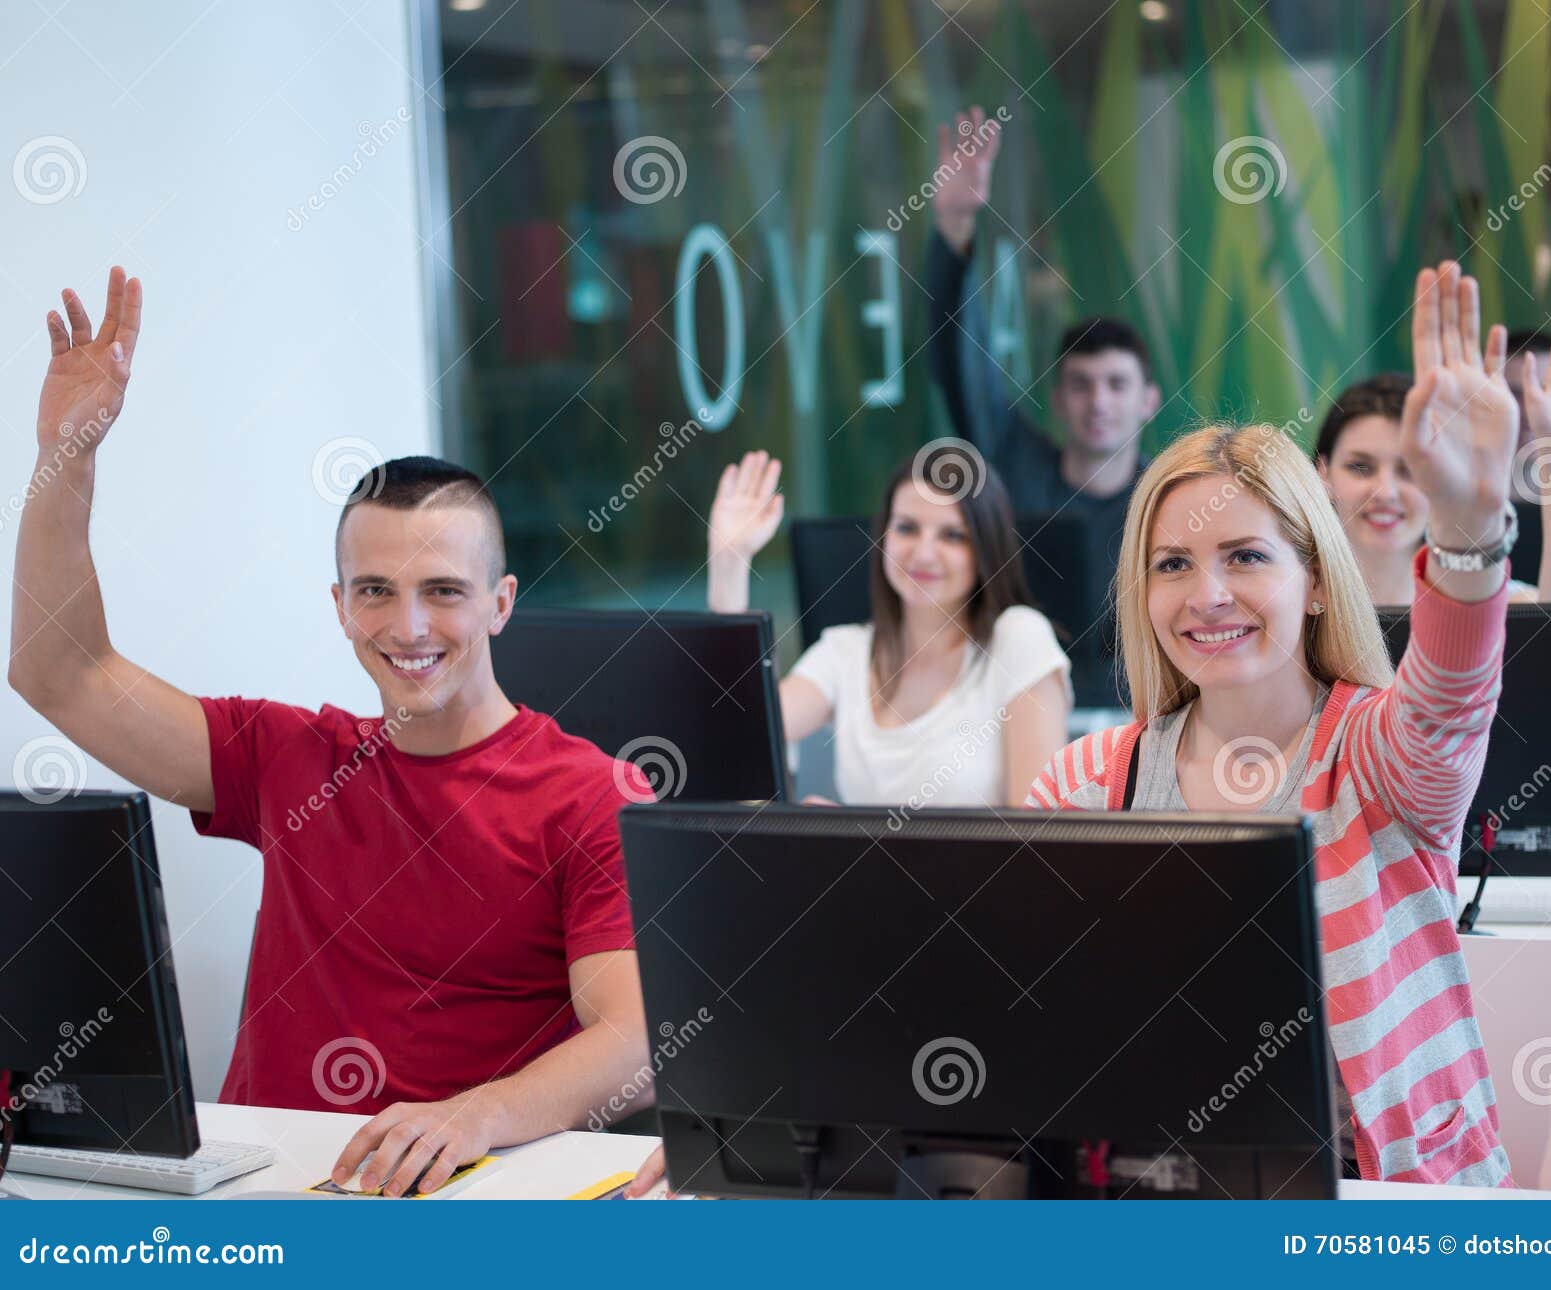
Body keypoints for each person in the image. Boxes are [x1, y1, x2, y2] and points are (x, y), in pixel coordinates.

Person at [9, 268, 650, 1199]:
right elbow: (60, 674)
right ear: (341, 606)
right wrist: (64, 456)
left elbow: (634, 1042)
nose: (410, 626)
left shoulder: (589, 795)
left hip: (445, 1195)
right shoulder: (286, 756)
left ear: (502, 603)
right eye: (376, 591)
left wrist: (473, 1115)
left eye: (444, 591)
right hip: (256, 1191)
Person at [1027, 262, 1517, 1187]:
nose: (1206, 595)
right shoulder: (1085, 784)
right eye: (1172, 564)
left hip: (1367, 1202)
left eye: (1246, 556)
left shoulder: (1377, 757)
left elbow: (1452, 695)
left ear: (1317, 580)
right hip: (1160, 1195)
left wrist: (1468, 529)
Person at [927, 107, 1158, 684]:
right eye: (1080, 384)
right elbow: (960, 361)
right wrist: (955, 225)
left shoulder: (1168, 504)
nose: (1098, 402)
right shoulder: (1014, 465)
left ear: (1148, 401)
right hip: (1015, 703)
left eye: (1117, 384)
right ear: (1057, 400)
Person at [705, 445, 1070, 810]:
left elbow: (1033, 835)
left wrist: (851, 836)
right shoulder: (845, 651)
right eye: (907, 528)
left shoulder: (1019, 638)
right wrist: (729, 563)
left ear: (986, 548)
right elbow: (740, 730)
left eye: (952, 535)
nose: (923, 554)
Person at [1315, 313, 1551, 606]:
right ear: (1322, 473)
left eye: (1409, 470)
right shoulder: (1293, 596)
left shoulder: (1492, 602)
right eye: (1360, 467)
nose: (1385, 492)